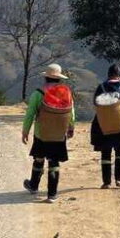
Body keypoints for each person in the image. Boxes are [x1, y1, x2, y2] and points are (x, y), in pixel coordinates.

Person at [22, 63, 75, 203]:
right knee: (54, 162)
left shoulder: (38, 93)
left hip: (41, 133)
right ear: (60, 79)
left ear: (46, 77)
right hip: (59, 134)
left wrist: (25, 131)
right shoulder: (66, 93)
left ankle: (33, 186)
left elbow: (30, 114)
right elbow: (71, 112)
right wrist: (71, 127)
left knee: (39, 158)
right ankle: (52, 194)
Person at [90, 63, 120, 188]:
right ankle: (119, 180)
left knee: (105, 153)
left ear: (108, 74)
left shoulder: (101, 87)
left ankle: (106, 182)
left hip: (103, 124)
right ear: (119, 75)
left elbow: (95, 102)